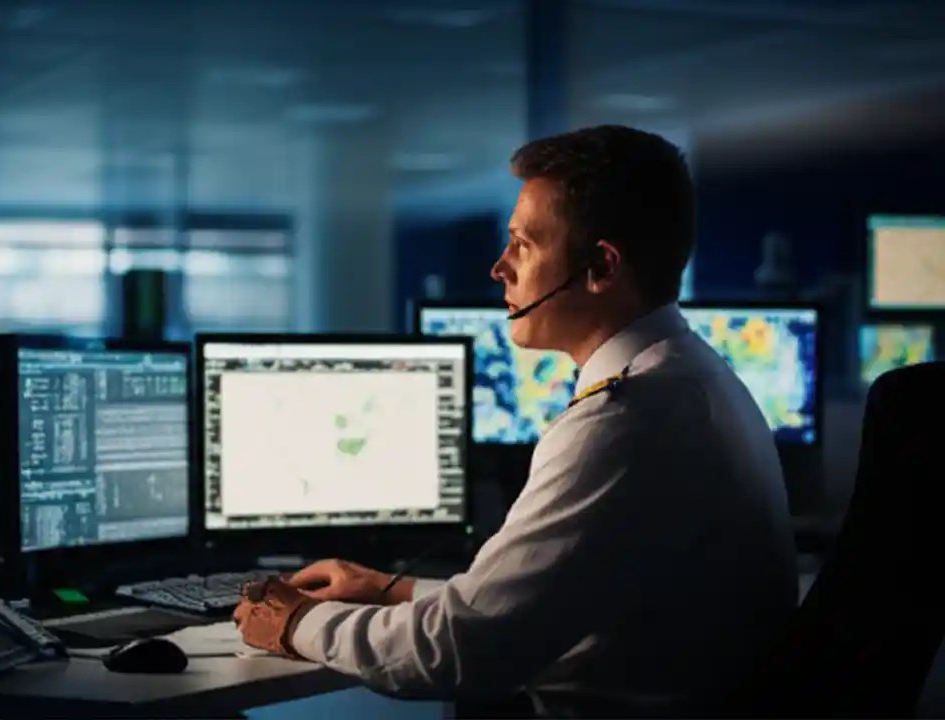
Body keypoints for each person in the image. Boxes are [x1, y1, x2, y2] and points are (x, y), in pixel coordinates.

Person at [233, 125, 799, 717]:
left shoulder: (623, 422)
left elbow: (459, 652)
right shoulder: (694, 375)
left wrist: (298, 621)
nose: (499, 268)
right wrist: (390, 590)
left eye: (524, 245)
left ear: (600, 267)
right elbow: (530, 608)